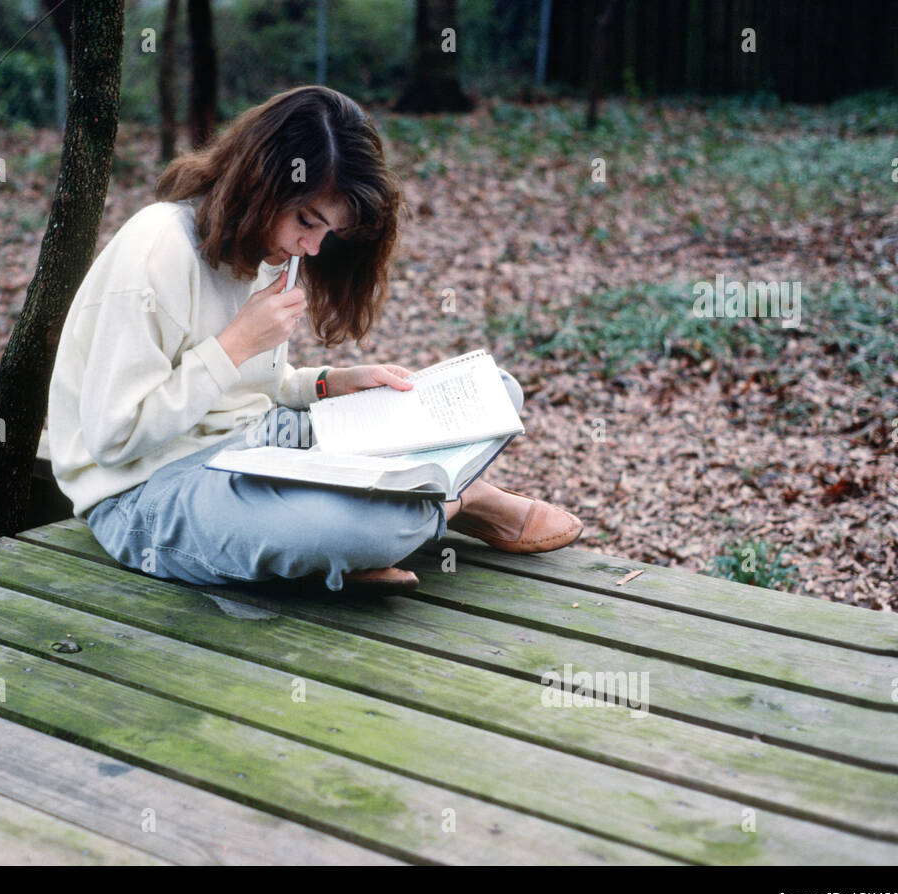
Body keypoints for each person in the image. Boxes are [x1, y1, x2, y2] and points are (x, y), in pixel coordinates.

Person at [47, 85, 581, 595]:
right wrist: (234, 343)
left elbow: (254, 386)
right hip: (147, 491)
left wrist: (329, 385)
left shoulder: (269, 246)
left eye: (329, 231)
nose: (314, 246)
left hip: (257, 445)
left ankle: (392, 514)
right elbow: (112, 438)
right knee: (363, 530)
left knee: (495, 390)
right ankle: (445, 499)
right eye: (307, 220)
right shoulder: (158, 247)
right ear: (259, 181)